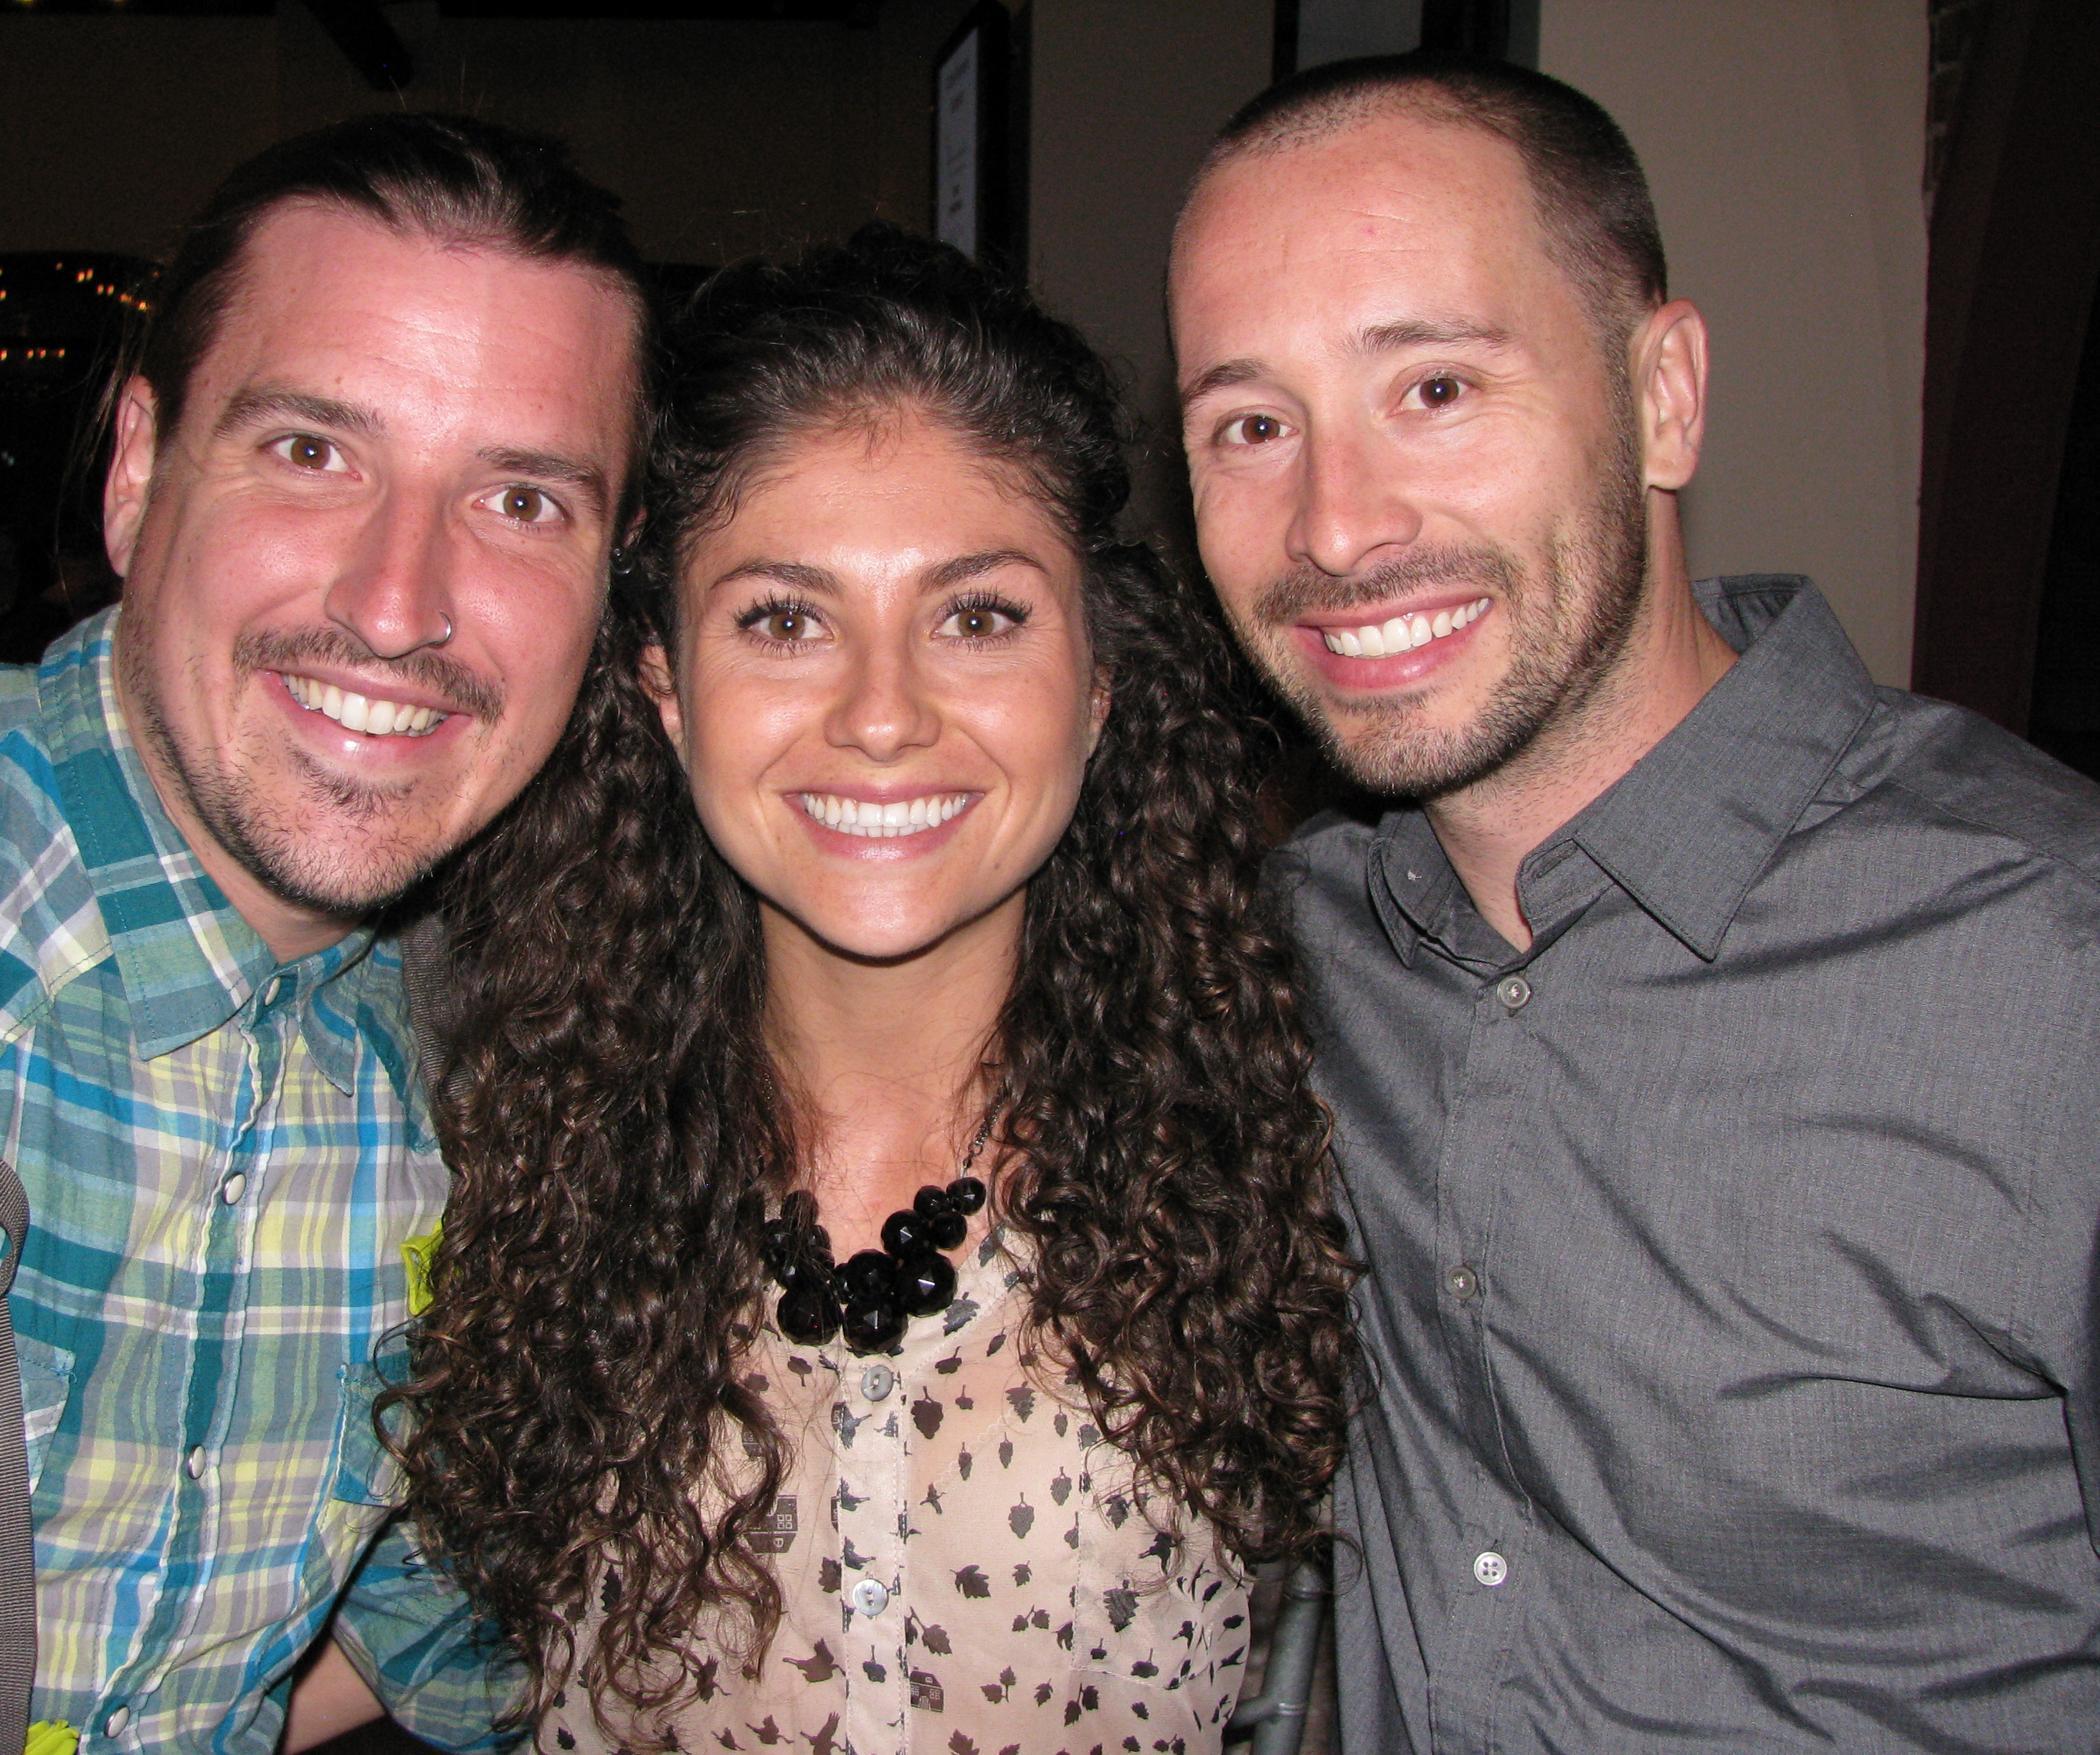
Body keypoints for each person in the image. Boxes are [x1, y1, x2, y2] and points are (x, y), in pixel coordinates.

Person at [1169, 49, 2100, 1752]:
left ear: (1664, 395)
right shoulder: (1274, 953)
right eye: (1251, 425)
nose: (1338, 524)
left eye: (1435, 387)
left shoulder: (2052, 968)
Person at [383, 227, 1365, 1753]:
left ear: (1098, 681)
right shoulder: (480, 1140)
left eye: (978, 616)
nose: (884, 715)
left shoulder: (1315, 1142)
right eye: (785, 619)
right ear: (665, 685)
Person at [0, 112, 647, 1754]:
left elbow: (480, 1655)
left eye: (523, 499)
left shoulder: (490, 1074)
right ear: (136, 472)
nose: (398, 604)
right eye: (312, 451)